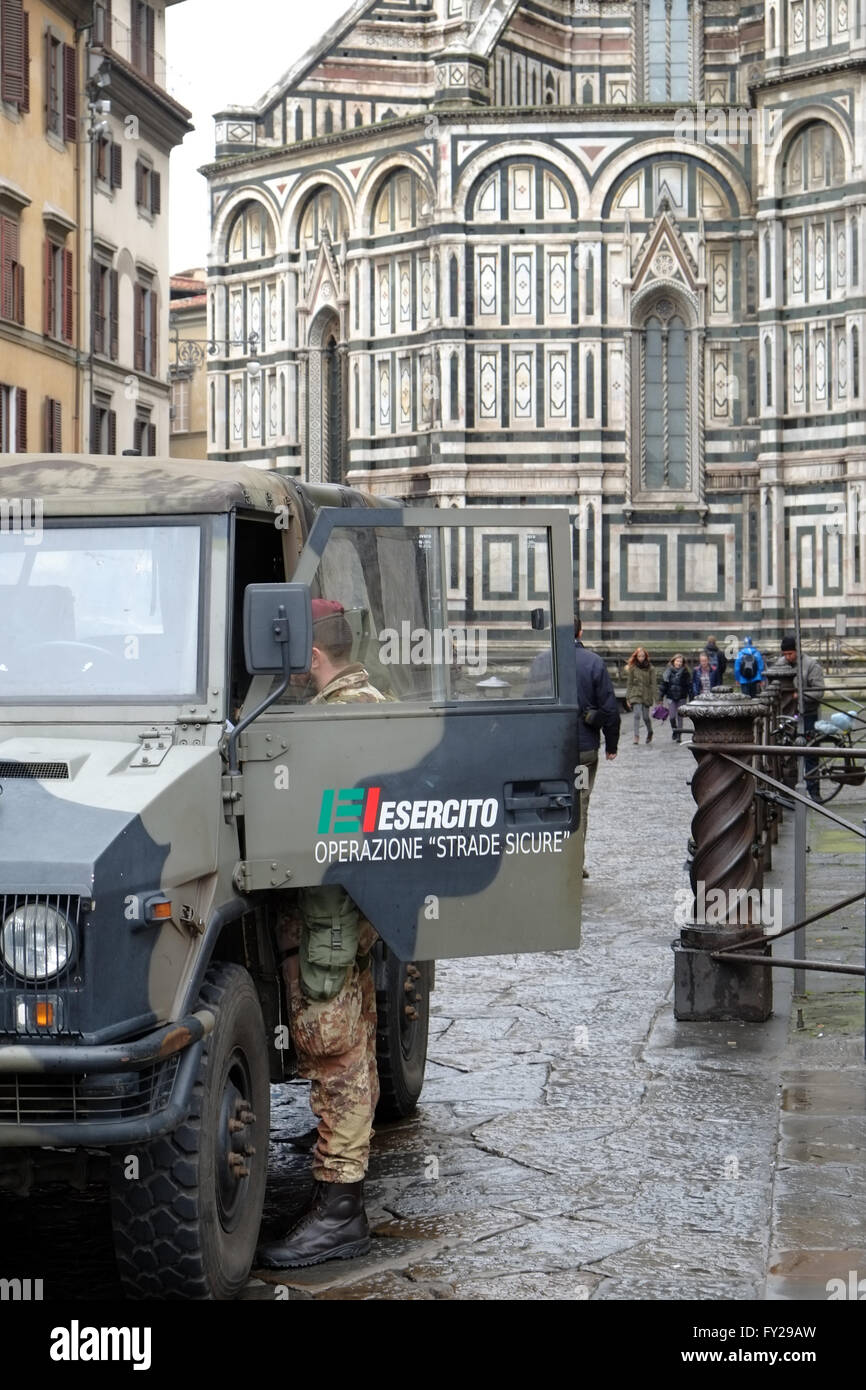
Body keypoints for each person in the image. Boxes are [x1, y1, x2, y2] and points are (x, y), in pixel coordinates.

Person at [258, 599, 388, 1270]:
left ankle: (339, 1213)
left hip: (330, 911)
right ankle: (338, 1198)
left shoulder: (338, 717)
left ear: (313, 657)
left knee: (333, 1052)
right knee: (353, 1046)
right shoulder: (373, 700)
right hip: (357, 910)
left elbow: (330, 817)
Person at [574, 618, 620, 879]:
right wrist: (611, 744)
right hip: (583, 749)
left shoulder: (542, 661)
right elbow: (609, 709)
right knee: (579, 804)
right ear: (580, 631)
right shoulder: (593, 662)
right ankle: (575, 862)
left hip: (549, 751)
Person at [770, 634, 826, 800]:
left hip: (808, 713)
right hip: (787, 715)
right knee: (787, 751)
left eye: (790, 654)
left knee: (811, 752)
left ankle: (814, 792)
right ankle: (789, 790)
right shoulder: (780, 665)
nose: (787, 657)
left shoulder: (811, 665)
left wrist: (799, 695)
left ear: (797, 651)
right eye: (784, 654)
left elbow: (819, 691)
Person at [625, 646, 655, 745]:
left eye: (643, 656)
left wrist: (657, 698)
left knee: (646, 717)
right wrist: (628, 697)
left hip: (646, 694)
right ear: (636, 657)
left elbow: (653, 684)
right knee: (637, 715)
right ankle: (636, 736)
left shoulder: (651, 668)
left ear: (646, 657)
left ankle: (650, 731)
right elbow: (629, 683)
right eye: (639, 656)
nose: (641, 658)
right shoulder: (633, 668)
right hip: (635, 693)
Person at [658, 653, 691, 743]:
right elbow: (663, 685)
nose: (679, 663)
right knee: (672, 717)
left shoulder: (685, 673)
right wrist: (660, 697)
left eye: (680, 661)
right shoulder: (668, 672)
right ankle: (675, 730)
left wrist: (691, 697)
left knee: (680, 717)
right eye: (677, 661)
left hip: (681, 697)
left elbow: (689, 686)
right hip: (671, 697)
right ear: (673, 661)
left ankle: (679, 735)